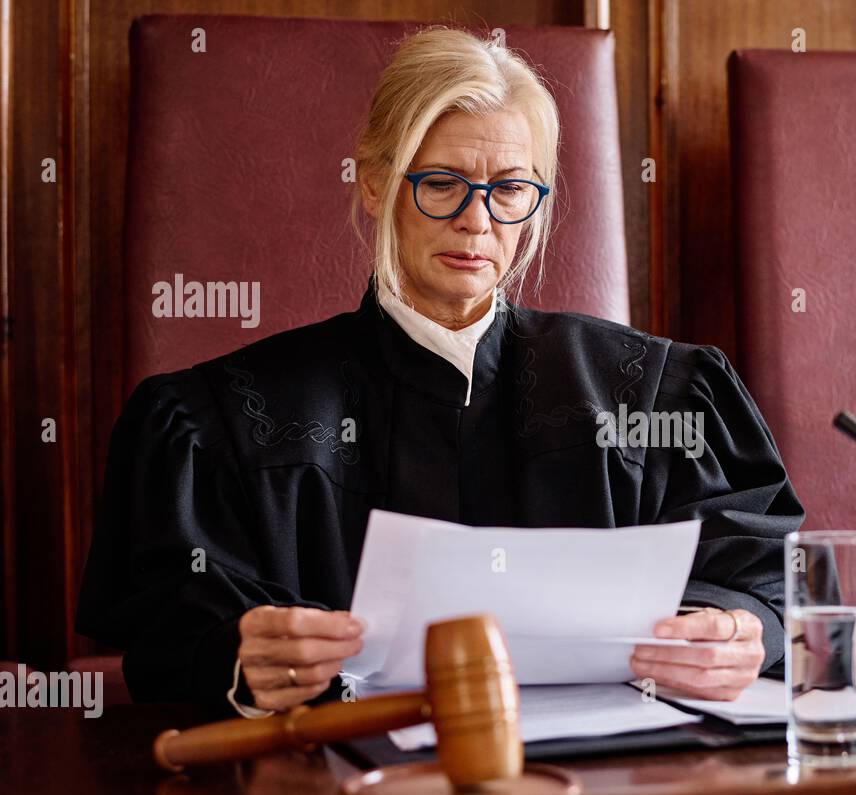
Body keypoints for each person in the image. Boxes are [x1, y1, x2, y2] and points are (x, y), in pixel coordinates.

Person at [76, 26, 803, 717]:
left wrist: (737, 628)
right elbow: (168, 618)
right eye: (443, 182)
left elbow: (759, 565)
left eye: (510, 189)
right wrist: (238, 654)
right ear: (374, 185)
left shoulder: (655, 396)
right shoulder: (225, 419)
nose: (477, 222)